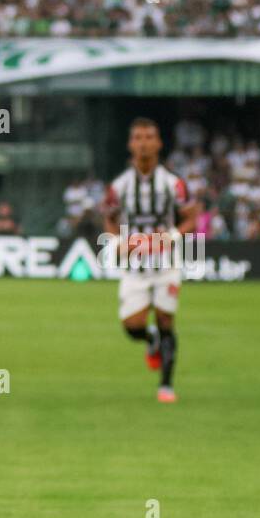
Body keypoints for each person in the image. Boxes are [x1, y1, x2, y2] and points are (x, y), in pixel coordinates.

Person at [101, 117, 199, 403]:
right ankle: (150, 338)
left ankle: (166, 386)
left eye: (149, 137)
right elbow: (109, 218)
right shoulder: (119, 186)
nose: (143, 143)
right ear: (130, 144)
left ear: (159, 143)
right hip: (134, 267)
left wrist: (171, 237)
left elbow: (191, 218)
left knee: (166, 319)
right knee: (132, 326)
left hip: (166, 264)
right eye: (138, 138)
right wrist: (117, 242)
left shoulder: (173, 184)